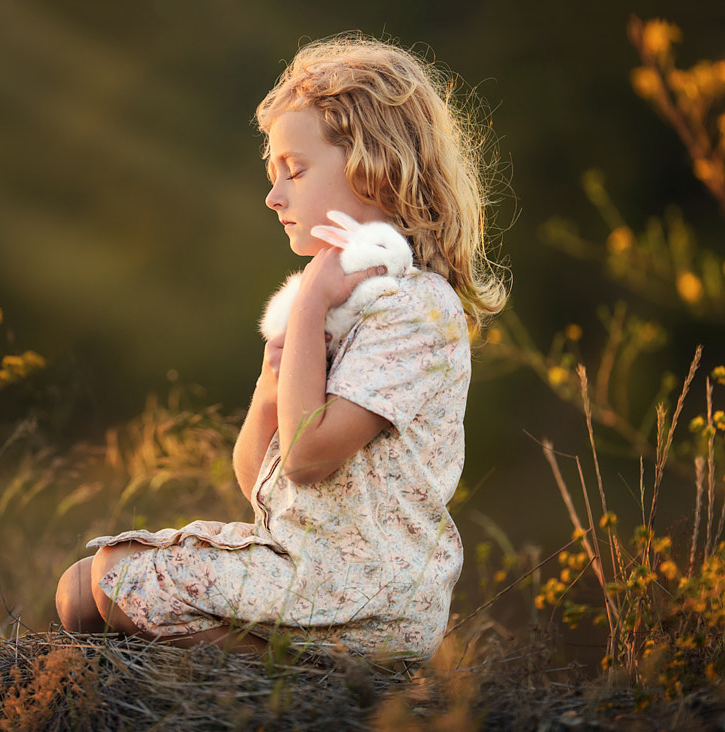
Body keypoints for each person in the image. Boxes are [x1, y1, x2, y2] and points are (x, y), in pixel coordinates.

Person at [55, 33, 507, 664]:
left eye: (294, 170)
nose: (274, 196)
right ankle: (256, 667)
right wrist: (283, 362)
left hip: (366, 596)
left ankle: (318, 679)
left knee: (115, 581)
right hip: (303, 571)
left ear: (374, 167)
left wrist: (315, 303)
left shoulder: (417, 307)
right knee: (80, 588)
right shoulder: (326, 305)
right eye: (273, 176)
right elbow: (259, 478)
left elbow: (305, 460)